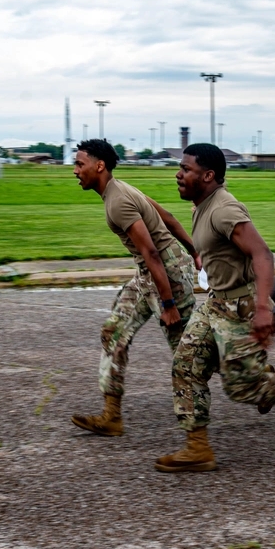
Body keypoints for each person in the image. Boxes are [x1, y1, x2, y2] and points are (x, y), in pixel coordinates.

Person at [156, 143, 275, 473]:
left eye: (186, 170)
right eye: (179, 168)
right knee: (186, 366)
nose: (178, 174)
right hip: (214, 304)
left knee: (243, 388)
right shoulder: (201, 205)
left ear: (208, 176)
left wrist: (264, 308)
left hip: (240, 307)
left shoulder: (225, 210)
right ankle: (197, 447)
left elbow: (263, 254)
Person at [69, 139, 201, 436]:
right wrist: (193, 251)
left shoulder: (118, 201)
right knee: (113, 331)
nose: (74, 171)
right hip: (150, 275)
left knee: (191, 354)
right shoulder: (120, 189)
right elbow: (167, 217)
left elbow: (151, 252)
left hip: (166, 275)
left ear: (99, 166)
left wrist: (167, 304)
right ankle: (111, 416)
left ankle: (263, 380)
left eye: (79, 164)